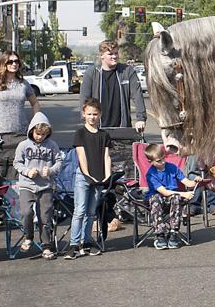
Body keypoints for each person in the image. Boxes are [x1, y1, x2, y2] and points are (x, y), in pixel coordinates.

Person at [79, 40, 146, 231]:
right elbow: (83, 100)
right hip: (98, 131)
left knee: (123, 172)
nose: (114, 57)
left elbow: (137, 95)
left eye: (116, 53)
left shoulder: (127, 72)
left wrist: (140, 117)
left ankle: (122, 210)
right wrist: (87, 123)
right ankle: (99, 214)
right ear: (101, 56)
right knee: (99, 172)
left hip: (121, 129)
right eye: (110, 54)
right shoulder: (92, 73)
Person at [65, 98, 111, 259]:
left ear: (100, 115)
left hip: (99, 178)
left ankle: (86, 242)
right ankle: (74, 244)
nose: (92, 117)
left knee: (91, 212)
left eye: (95, 114)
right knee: (80, 210)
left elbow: (106, 155)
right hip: (84, 177)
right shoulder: (80, 133)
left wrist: (107, 174)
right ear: (83, 114)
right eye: (89, 114)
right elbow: (81, 155)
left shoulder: (104, 134)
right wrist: (87, 174)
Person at [13, 112, 62, 259]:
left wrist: (51, 170)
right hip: (27, 185)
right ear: (31, 130)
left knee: (45, 217)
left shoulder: (52, 145)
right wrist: (27, 172)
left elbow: (59, 162)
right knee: (26, 212)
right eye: (37, 133)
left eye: (43, 134)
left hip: (45, 186)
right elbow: (17, 163)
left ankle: (46, 245)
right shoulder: (23, 145)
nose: (40, 137)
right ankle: (28, 236)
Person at [0, 51, 39, 179]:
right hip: (0, 135)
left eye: (16, 61)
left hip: (21, 134)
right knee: (1, 173)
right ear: (4, 63)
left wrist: (34, 125)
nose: (14, 64)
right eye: (10, 61)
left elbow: (35, 103)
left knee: (21, 172)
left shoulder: (23, 83)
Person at [143, 143, 196, 250]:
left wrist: (195, 181)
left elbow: (187, 183)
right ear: (150, 162)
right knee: (156, 198)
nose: (162, 162)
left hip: (172, 199)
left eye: (163, 159)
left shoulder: (172, 167)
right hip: (158, 198)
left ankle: (173, 233)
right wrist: (184, 194)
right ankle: (160, 235)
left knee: (175, 197)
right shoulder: (151, 174)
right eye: (159, 161)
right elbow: (164, 192)